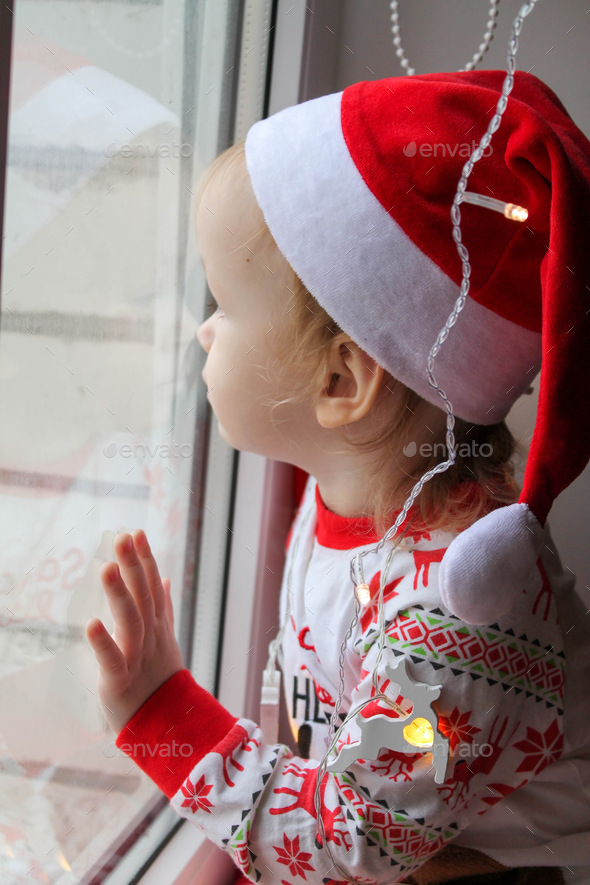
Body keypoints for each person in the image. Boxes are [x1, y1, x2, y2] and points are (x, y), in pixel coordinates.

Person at [86, 71, 590, 884]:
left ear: (340, 381)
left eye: (225, 304)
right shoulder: (353, 490)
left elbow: (342, 841)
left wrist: (165, 717)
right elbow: (319, 725)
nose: (204, 332)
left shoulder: (460, 614)